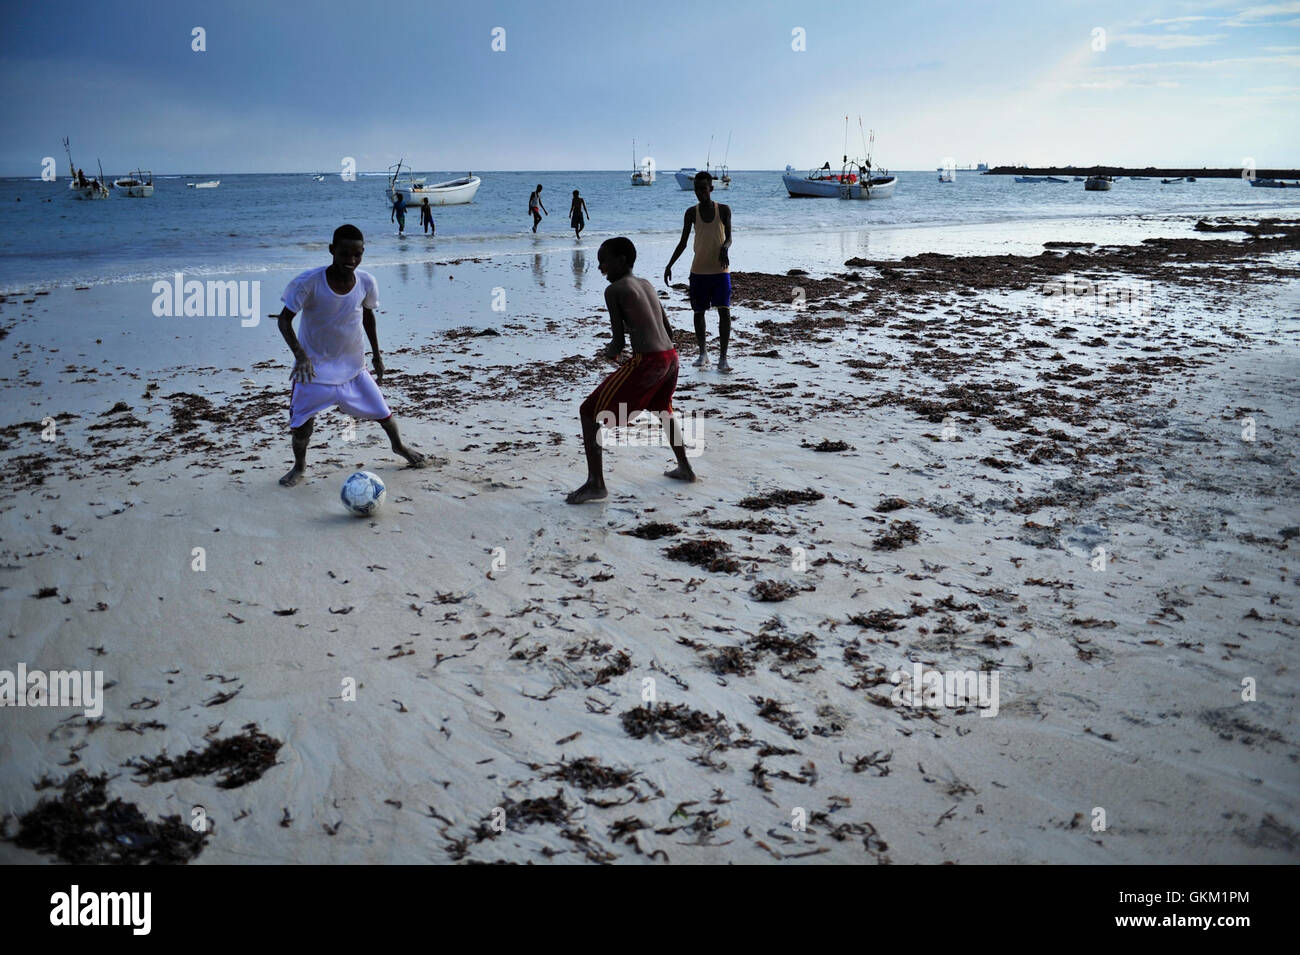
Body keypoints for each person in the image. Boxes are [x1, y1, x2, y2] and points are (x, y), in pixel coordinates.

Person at [276, 224, 426, 487]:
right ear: (332, 250)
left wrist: (377, 356)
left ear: (363, 253)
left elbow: (368, 315)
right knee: (301, 426)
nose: (351, 261)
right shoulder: (308, 282)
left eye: (357, 255)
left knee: (383, 413)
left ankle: (399, 447)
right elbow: (284, 320)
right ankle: (299, 467)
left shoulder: (367, 282)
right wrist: (300, 356)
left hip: (354, 368)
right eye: (344, 254)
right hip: (314, 371)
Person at [567, 236, 695, 504]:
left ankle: (596, 484)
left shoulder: (614, 291)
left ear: (622, 259)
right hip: (671, 357)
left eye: (604, 260)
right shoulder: (646, 284)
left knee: (588, 412)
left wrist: (609, 353)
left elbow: (618, 340)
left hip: (649, 360)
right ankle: (685, 467)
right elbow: (668, 329)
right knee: (663, 409)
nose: (601, 266)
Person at [664, 171, 733, 372]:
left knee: (724, 312)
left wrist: (725, 248)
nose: (700, 192)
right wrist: (670, 265)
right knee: (698, 313)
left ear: (711, 189)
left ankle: (723, 358)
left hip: (721, 270)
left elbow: (729, 237)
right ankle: (703, 353)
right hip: (698, 270)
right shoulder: (691, 213)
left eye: (703, 188)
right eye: (697, 189)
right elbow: (683, 243)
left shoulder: (724, 210)